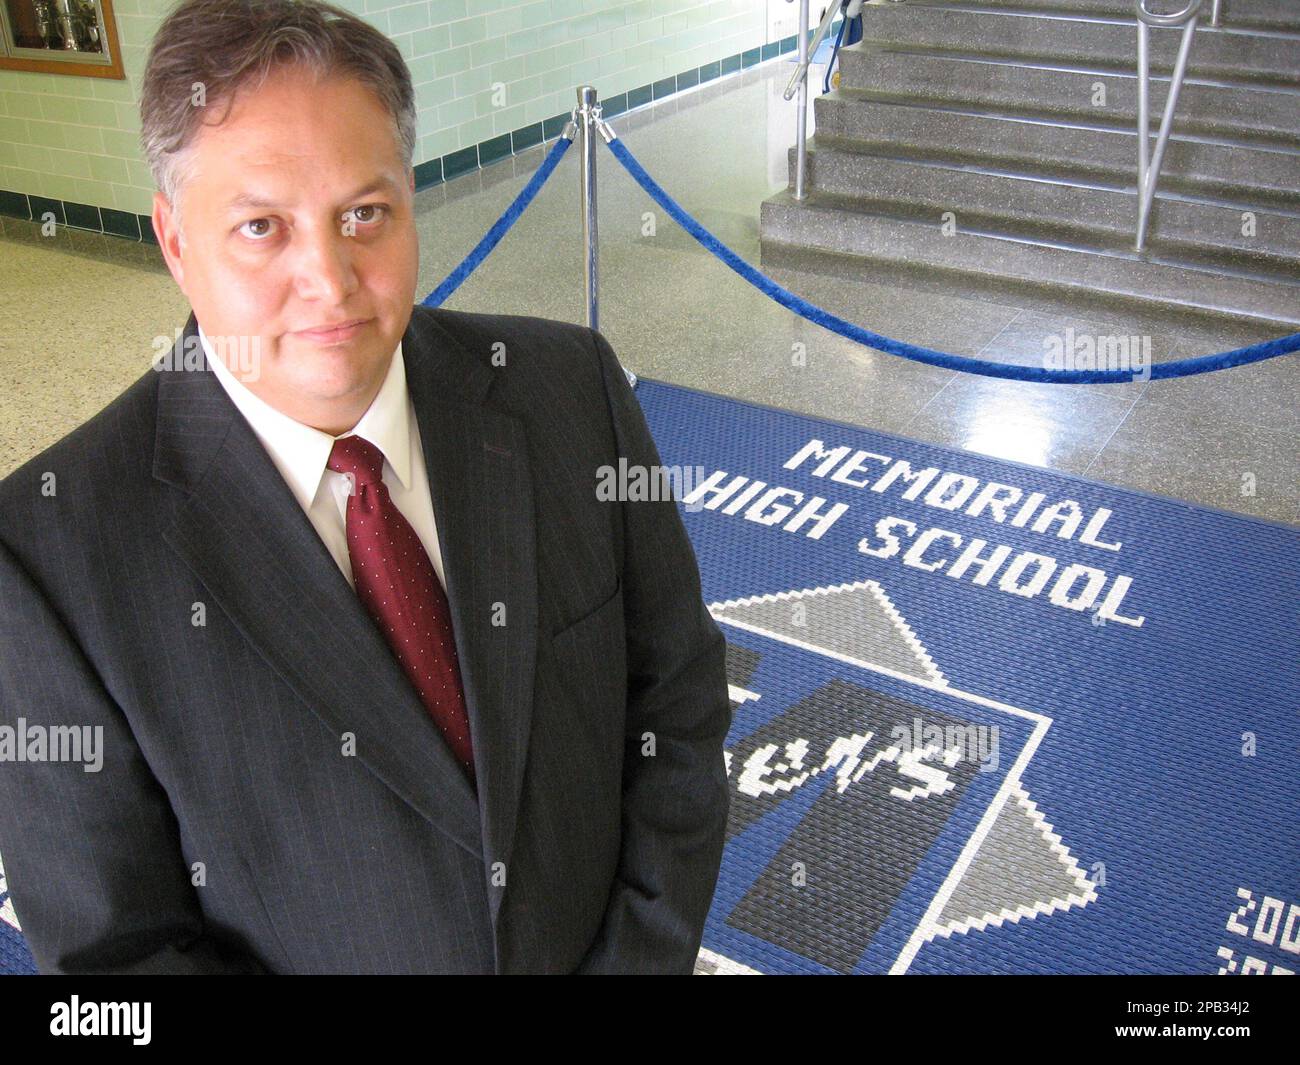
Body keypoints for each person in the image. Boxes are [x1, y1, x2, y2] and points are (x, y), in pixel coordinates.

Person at [0, 0, 730, 974]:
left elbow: (676, 703)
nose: (331, 280)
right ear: (175, 241)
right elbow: (113, 961)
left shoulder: (571, 393)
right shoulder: (49, 557)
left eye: (364, 215)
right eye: (261, 227)